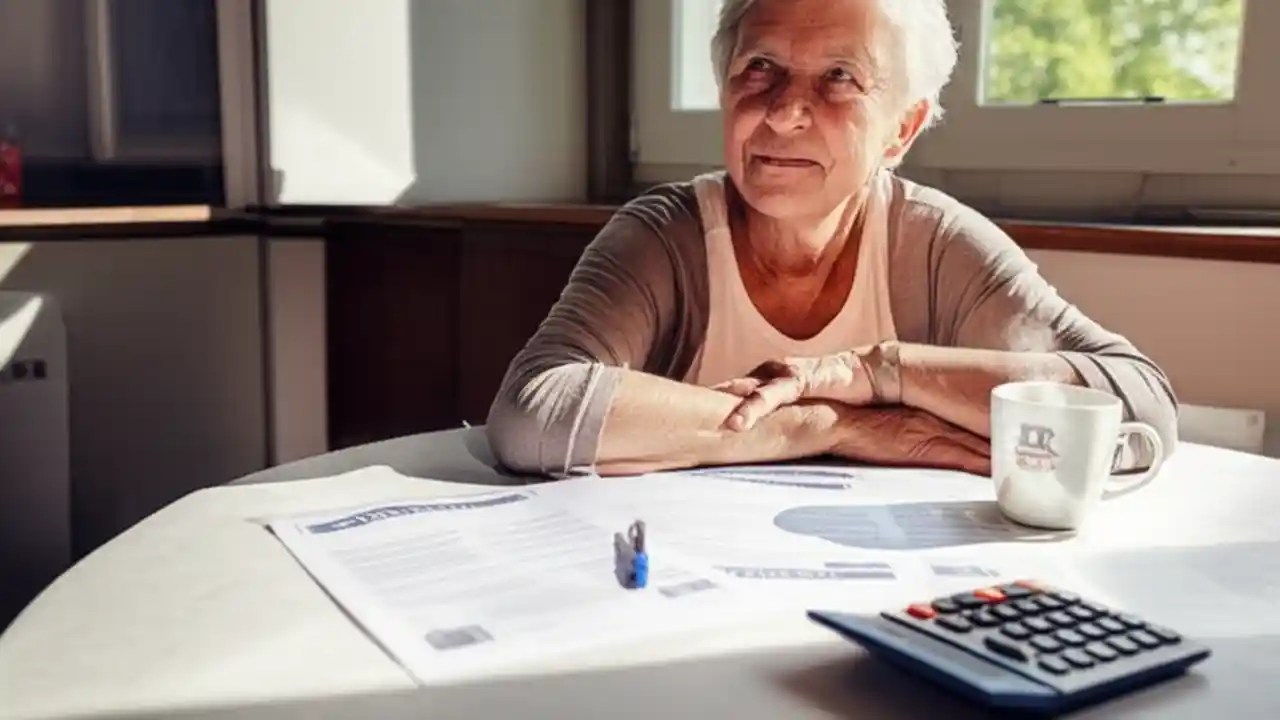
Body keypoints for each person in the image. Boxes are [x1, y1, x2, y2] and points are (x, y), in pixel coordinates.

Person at [487, 0, 1176, 478]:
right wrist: (827, 426)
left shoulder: (935, 247)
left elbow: (1141, 407)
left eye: (840, 78)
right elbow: (532, 414)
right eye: (760, 67)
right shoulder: (664, 239)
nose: (785, 112)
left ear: (901, 130)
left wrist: (883, 372)